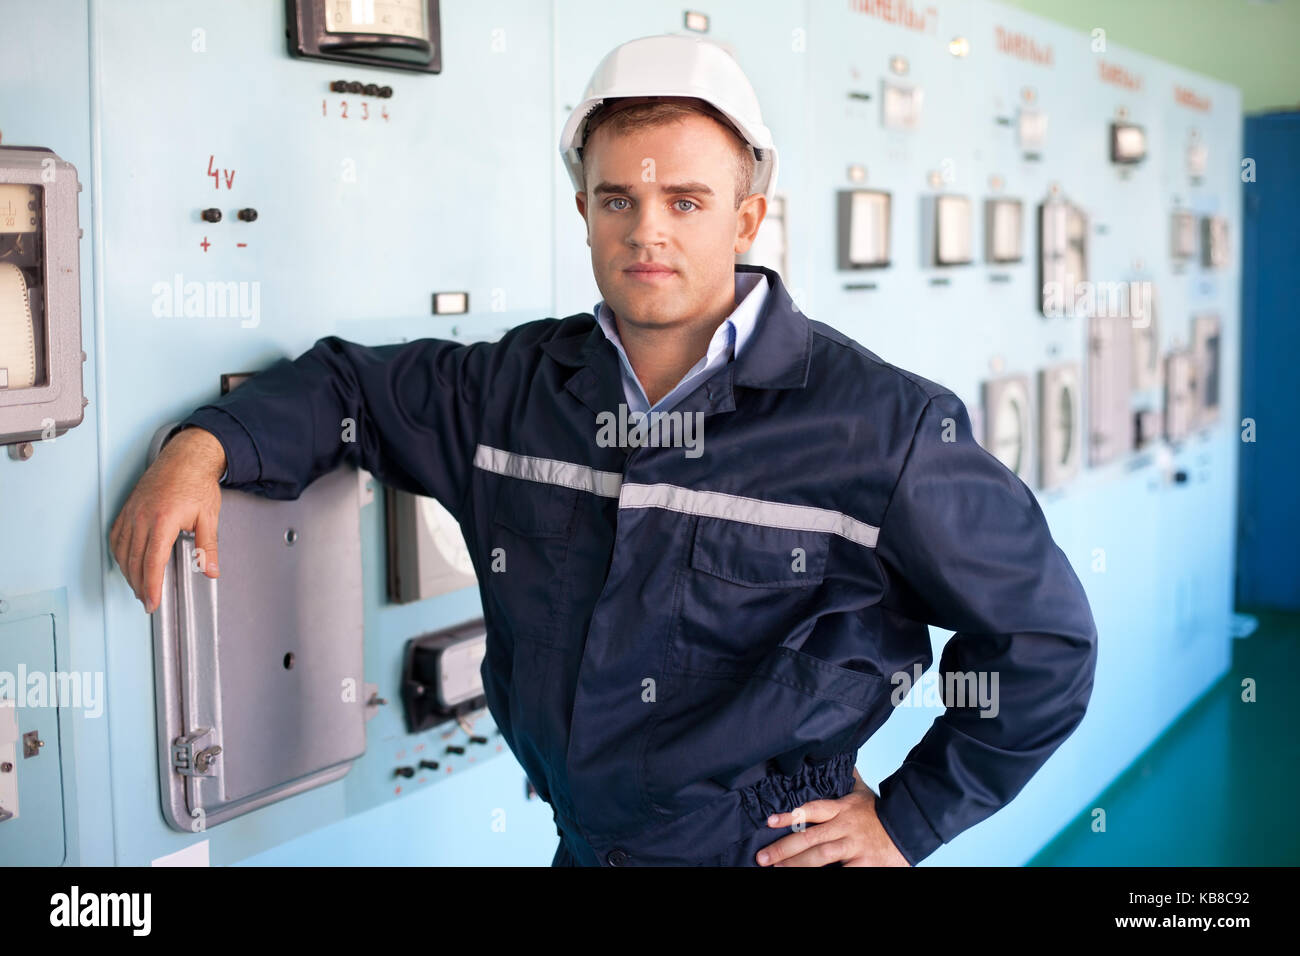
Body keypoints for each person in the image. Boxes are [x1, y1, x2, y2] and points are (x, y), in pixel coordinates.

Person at [110, 34, 1098, 867]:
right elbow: (349, 388)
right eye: (617, 198)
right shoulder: (513, 392)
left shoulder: (879, 427)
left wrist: (908, 817)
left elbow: (1040, 641)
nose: (647, 231)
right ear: (583, 208)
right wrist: (206, 445)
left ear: (749, 217)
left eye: (686, 202)